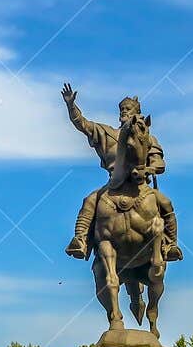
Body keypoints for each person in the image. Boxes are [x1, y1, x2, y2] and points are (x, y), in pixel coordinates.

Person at [61, 83, 181, 261]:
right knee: (90, 200)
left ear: (136, 113)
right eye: (122, 109)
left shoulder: (147, 137)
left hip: (140, 186)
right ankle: (81, 240)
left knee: (166, 204)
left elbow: (159, 164)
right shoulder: (106, 134)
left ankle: (171, 245)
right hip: (114, 185)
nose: (124, 111)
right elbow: (83, 124)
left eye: (128, 108)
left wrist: (146, 170)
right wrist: (71, 105)